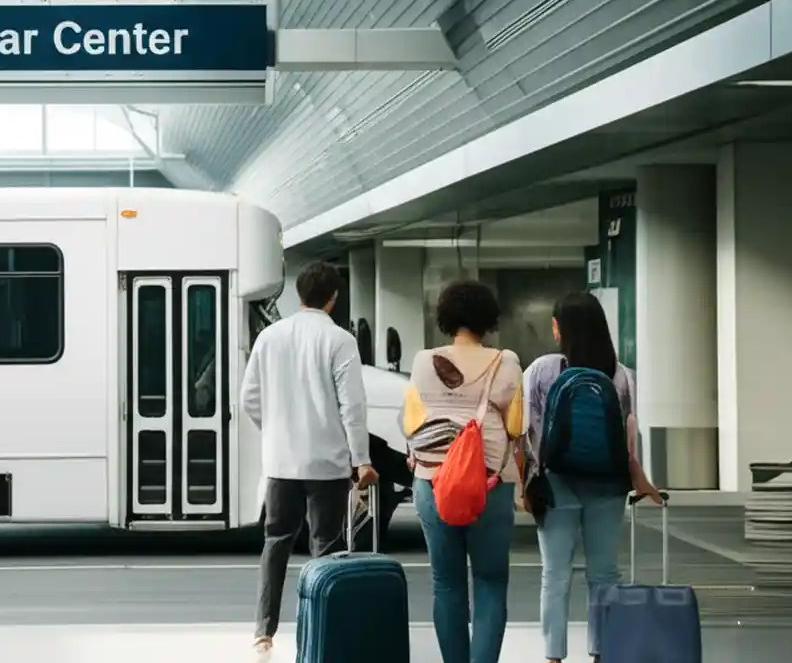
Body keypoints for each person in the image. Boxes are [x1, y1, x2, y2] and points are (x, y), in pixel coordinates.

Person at [241, 261, 378, 661]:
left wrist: (275, 429)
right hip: (327, 464)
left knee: (276, 542)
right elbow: (353, 407)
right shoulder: (339, 340)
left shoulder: (269, 337)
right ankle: (321, 627)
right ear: (333, 298)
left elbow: (249, 398)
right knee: (326, 548)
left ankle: (264, 633)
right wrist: (362, 460)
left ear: (298, 294)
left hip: (281, 462)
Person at [524, 292, 662, 663]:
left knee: (555, 574)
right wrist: (640, 480)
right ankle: (602, 652)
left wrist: (527, 483)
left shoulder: (542, 371)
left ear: (559, 328)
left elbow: (528, 432)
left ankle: (553, 657)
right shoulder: (624, 376)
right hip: (608, 485)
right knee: (604, 574)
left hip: (556, 482)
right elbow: (627, 441)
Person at [403, 279, 524, 663]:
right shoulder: (505, 362)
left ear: (446, 317)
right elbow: (517, 425)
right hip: (488, 484)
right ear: (488, 318)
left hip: (432, 482)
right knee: (490, 582)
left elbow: (410, 421)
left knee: (446, 585)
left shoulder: (423, 362)